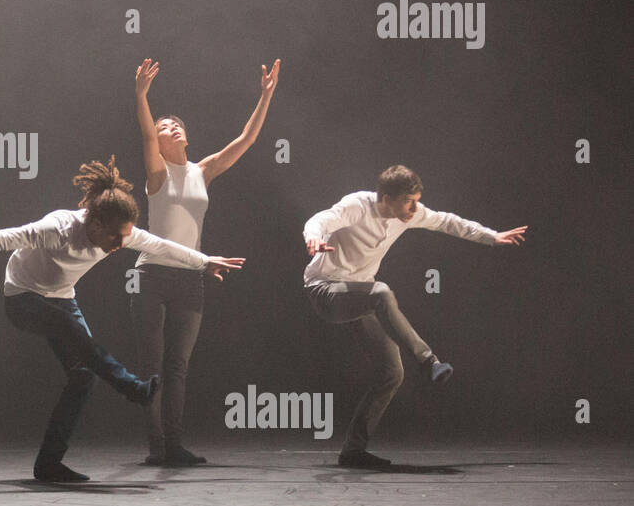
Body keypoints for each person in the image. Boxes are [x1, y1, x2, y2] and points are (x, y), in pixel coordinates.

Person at [0, 158, 244, 482]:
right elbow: (4, 237)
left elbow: (159, 245)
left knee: (83, 376)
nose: (118, 247)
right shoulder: (57, 229)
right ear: (96, 225)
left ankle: (48, 463)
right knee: (72, 332)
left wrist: (204, 262)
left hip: (62, 299)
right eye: (115, 239)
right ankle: (131, 387)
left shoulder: (120, 231)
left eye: (124, 240)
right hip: (23, 298)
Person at [303, 165, 527, 468]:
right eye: (408, 202)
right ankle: (429, 360)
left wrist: (491, 236)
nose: (414, 208)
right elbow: (321, 218)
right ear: (386, 197)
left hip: (362, 298)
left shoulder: (409, 213)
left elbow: (447, 222)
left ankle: (353, 451)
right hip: (326, 290)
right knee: (381, 293)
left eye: (416, 201)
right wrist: (313, 237)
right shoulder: (358, 205)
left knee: (391, 372)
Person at [131, 57, 280, 466]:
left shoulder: (202, 171)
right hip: (152, 275)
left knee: (178, 366)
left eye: (177, 125)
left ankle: (174, 445)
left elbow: (246, 139)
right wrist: (142, 96)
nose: (171, 128)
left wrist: (265, 96)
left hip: (191, 278)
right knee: (152, 365)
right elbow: (145, 134)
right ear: (159, 141)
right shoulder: (156, 172)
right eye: (165, 127)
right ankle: (155, 446)